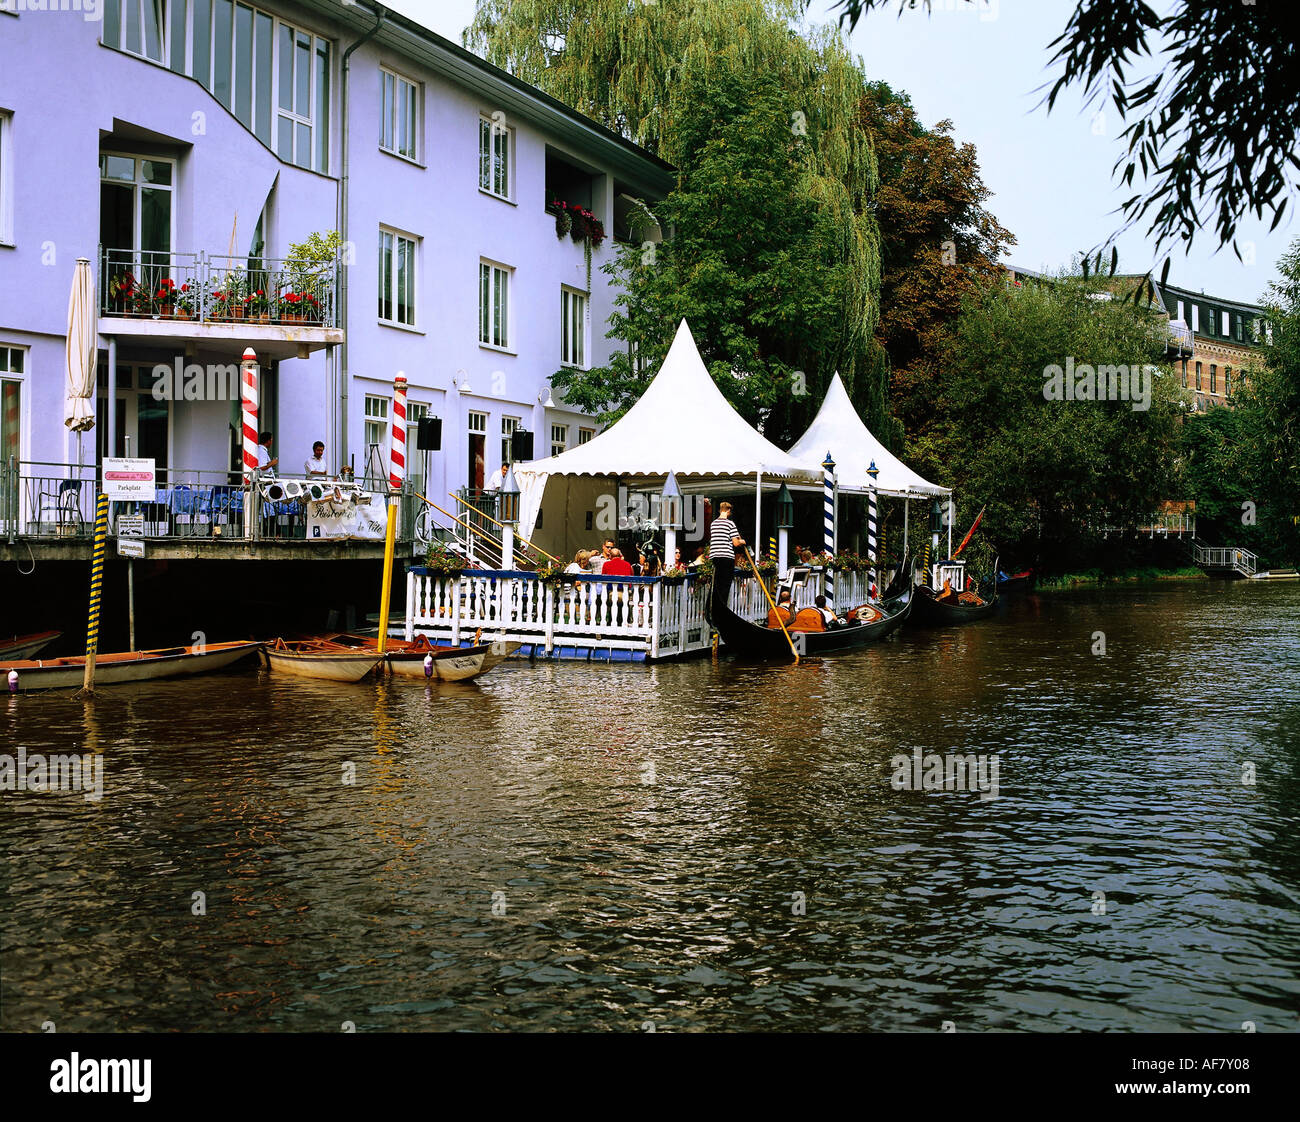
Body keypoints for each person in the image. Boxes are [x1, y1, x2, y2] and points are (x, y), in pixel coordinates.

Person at [708, 500, 745, 618]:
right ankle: (721, 610)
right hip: (726, 556)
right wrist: (742, 541)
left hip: (715, 556)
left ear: (720, 510)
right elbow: (735, 543)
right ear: (728, 510)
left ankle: (713, 609)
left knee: (717, 583)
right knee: (725, 584)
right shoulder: (730, 524)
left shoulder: (713, 523)